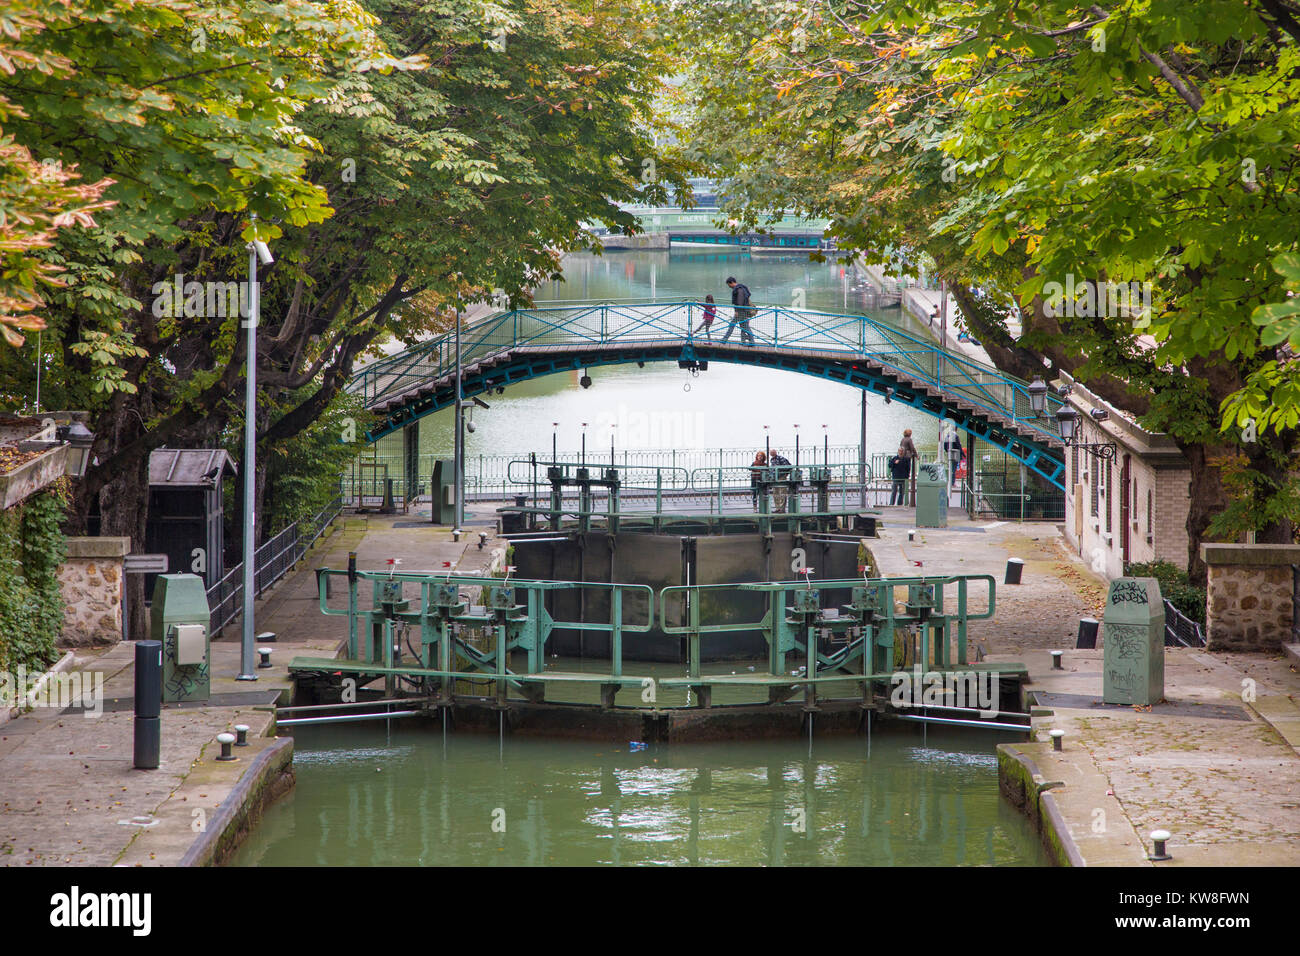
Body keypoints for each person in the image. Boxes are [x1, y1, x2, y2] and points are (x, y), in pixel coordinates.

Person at [721, 277, 756, 345]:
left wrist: (737, 311)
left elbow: (739, 301)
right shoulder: (742, 288)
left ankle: (724, 340)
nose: (729, 286)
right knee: (744, 326)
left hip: (740, 311)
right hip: (744, 310)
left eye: (728, 284)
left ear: (731, 282)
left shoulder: (739, 289)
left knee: (733, 325)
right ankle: (746, 342)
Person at [768, 449, 792, 513]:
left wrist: (784, 474)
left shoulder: (780, 458)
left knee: (782, 493)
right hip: (775, 478)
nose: (771, 453)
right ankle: (777, 508)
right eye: (770, 452)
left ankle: (782, 509)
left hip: (781, 477)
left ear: (775, 452)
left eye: (773, 452)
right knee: (775, 493)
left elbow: (789, 466)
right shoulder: (772, 460)